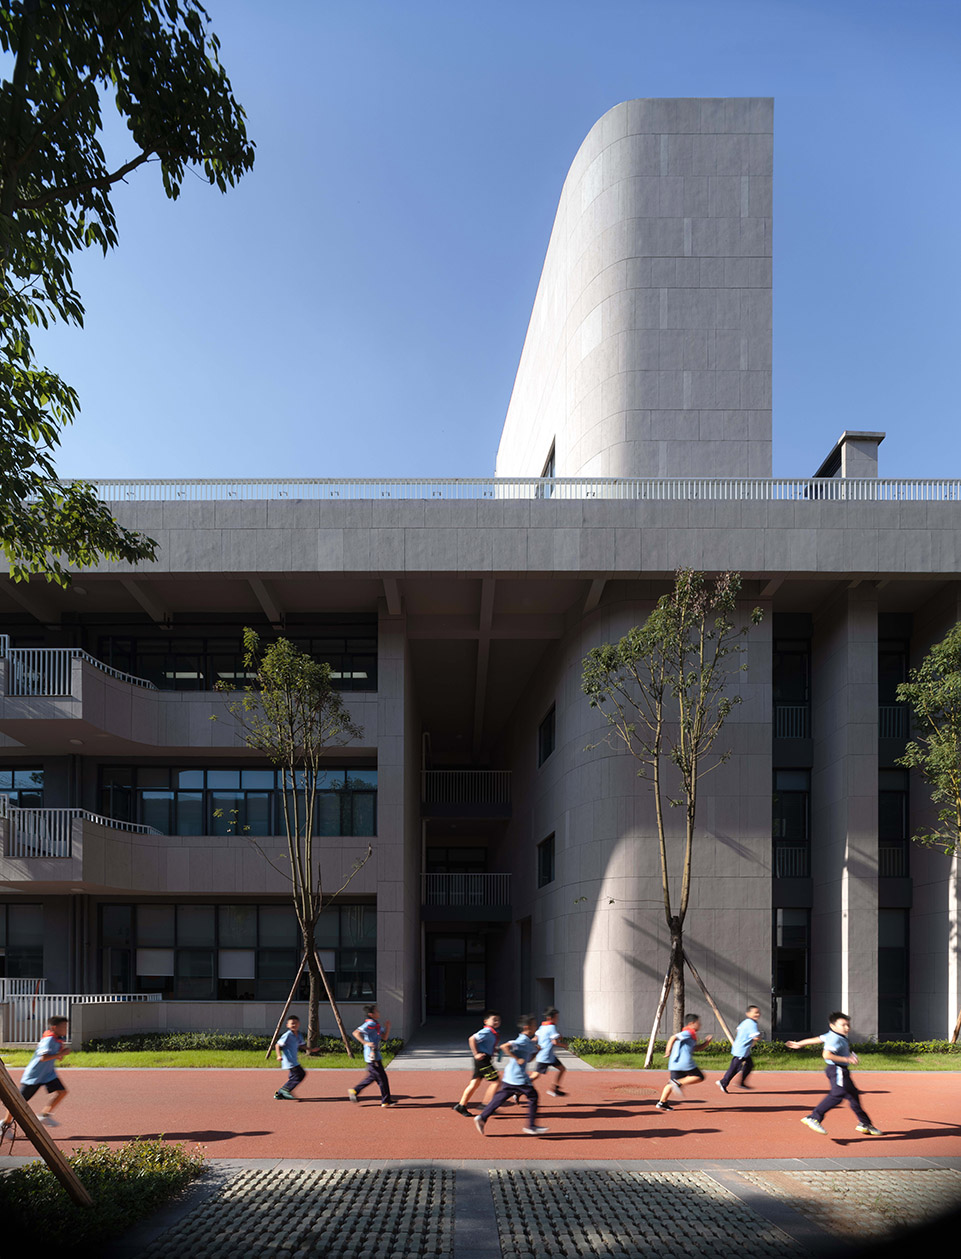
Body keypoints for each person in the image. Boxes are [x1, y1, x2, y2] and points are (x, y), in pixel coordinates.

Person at [787, 1011, 882, 1135]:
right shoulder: (835, 1038)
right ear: (833, 1026)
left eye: (848, 1025)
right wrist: (847, 1059)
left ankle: (865, 1123)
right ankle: (814, 1117)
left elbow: (818, 1039)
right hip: (838, 1070)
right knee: (838, 1094)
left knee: (853, 1097)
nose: (847, 1028)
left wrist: (800, 1044)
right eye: (843, 1025)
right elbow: (827, 1054)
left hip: (840, 1071)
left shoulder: (832, 1035)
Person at [474, 1013, 548, 1136]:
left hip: (510, 1076)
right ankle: (531, 1126)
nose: (536, 1027)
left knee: (500, 1097)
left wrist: (536, 1052)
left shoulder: (528, 1042)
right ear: (526, 1027)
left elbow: (528, 1059)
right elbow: (504, 1046)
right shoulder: (522, 1040)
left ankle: (482, 1117)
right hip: (518, 1077)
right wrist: (516, 1058)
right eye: (534, 1025)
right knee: (533, 1097)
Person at [1, 1015, 71, 1132]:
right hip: (34, 1076)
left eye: (66, 1026)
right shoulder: (48, 1039)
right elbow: (43, 1057)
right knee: (18, 1102)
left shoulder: (57, 1039)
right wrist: (61, 1054)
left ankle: (44, 1115)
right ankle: (5, 1124)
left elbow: (53, 1056)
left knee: (62, 1092)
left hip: (48, 1075)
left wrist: (59, 1055)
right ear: (54, 1027)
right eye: (63, 1026)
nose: (66, 1029)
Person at [656, 1013, 712, 1111]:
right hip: (684, 1062)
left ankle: (662, 1102)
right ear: (691, 1023)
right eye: (698, 1023)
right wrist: (668, 1050)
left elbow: (696, 1048)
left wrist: (706, 1043)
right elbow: (673, 1038)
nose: (700, 1025)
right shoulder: (688, 1033)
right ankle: (677, 1083)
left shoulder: (691, 1035)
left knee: (671, 1083)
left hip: (675, 1063)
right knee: (699, 1077)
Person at [453, 1011, 502, 1116]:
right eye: (494, 1020)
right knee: (496, 1082)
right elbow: (472, 1038)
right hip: (482, 1060)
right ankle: (486, 1105)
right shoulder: (487, 1031)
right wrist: (476, 1054)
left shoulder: (491, 1032)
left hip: (484, 1059)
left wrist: (495, 1050)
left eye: (498, 1020)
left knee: (475, 1083)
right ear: (486, 1021)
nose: (496, 1022)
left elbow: (485, 1044)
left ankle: (461, 1105)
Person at [348, 1004, 396, 1106]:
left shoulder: (376, 1024)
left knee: (373, 1077)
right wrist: (365, 1043)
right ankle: (386, 1101)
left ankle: (355, 1091)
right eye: (376, 1011)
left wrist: (388, 1028)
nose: (378, 1012)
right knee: (382, 1078)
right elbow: (356, 1033)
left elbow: (384, 1037)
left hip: (376, 1054)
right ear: (371, 1014)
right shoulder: (369, 1024)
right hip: (371, 1056)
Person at [716, 1004, 762, 1092]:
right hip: (741, 1050)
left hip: (742, 1049)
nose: (757, 1014)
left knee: (749, 1064)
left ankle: (741, 1082)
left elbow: (738, 1029)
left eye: (758, 1013)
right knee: (735, 1067)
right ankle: (723, 1082)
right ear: (748, 1014)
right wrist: (758, 1037)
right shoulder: (751, 1024)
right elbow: (755, 1037)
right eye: (755, 1013)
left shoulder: (745, 1022)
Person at [274, 1013, 315, 1100]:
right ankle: (285, 1089)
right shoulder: (287, 1034)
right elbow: (277, 1045)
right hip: (288, 1060)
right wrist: (278, 1056)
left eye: (296, 1023)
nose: (294, 1025)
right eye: (292, 1023)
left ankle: (280, 1094)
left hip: (294, 1060)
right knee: (300, 1074)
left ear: (299, 1024)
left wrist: (310, 1049)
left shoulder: (298, 1034)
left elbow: (302, 1045)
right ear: (287, 1025)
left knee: (295, 1076)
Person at [532, 1006, 567, 1098]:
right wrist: (565, 1046)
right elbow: (554, 1042)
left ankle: (554, 1088)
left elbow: (536, 1038)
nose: (557, 1019)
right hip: (545, 1056)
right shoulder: (551, 1027)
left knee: (562, 1069)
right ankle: (519, 1089)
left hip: (549, 1056)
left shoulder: (542, 1026)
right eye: (556, 1017)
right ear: (550, 1018)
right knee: (535, 1075)